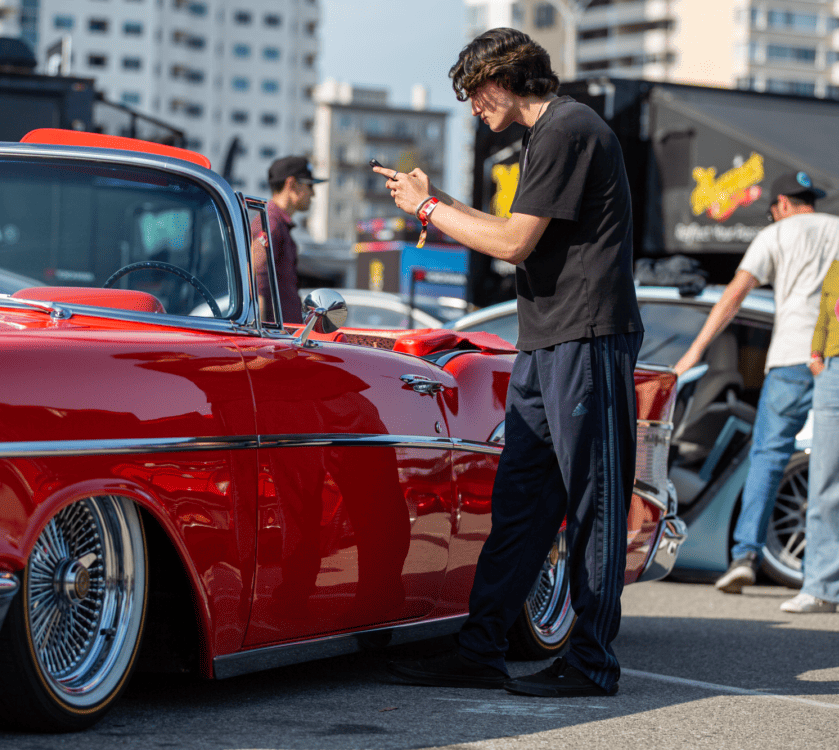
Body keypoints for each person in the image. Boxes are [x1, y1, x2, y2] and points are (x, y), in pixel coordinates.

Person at [374, 27, 643, 698]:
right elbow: (510, 231)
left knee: (592, 504)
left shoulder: (566, 128)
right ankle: (481, 647)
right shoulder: (552, 133)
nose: (472, 108)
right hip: (549, 341)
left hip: (584, 337)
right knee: (520, 505)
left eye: (472, 94)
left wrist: (430, 209)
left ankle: (591, 663)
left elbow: (513, 244)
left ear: (498, 80)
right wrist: (435, 201)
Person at [674, 172, 839, 595]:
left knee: (767, 457)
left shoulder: (775, 235)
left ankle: (745, 554)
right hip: (832, 358)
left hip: (788, 359)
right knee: (827, 467)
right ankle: (822, 581)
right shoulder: (837, 229)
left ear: (781, 204)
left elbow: (734, 296)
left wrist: (694, 352)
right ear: (809, 201)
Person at [781, 259, 839, 613]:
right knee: (823, 482)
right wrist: (816, 356)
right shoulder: (835, 263)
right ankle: (821, 588)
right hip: (832, 371)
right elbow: (825, 313)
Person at [252, 156, 324, 325]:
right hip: (274, 341)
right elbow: (257, 287)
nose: (313, 194)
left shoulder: (276, 224)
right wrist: (260, 345)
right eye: (310, 185)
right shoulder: (271, 224)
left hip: (281, 338)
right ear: (291, 184)